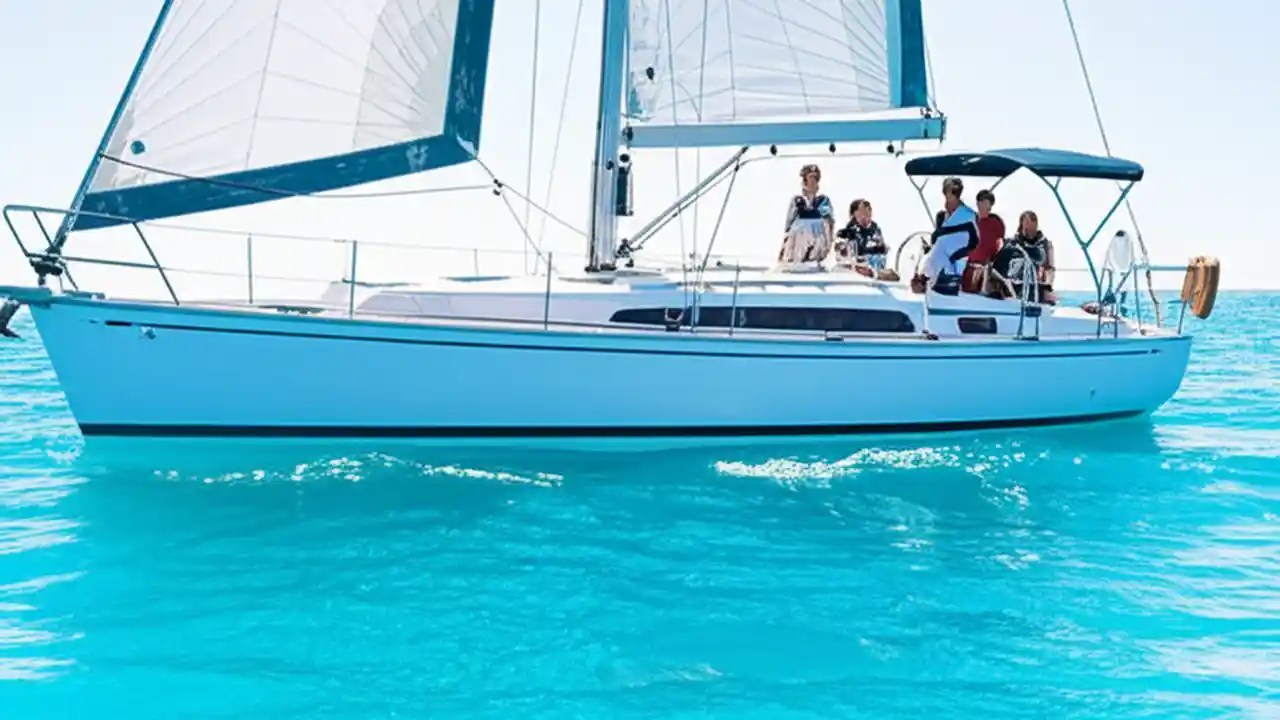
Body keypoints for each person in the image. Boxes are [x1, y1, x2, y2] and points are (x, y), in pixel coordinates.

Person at [921, 177, 978, 289]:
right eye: (948, 191)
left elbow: (974, 240)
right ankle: (933, 278)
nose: (950, 195)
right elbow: (936, 236)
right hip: (942, 251)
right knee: (938, 246)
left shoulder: (969, 215)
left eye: (953, 191)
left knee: (941, 245)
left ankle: (930, 277)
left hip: (962, 253)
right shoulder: (941, 216)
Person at [993, 210, 1056, 304]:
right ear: (1021, 225)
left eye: (1032, 225)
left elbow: (1049, 268)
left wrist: (1047, 287)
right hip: (1015, 289)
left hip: (1037, 289)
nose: (1029, 229)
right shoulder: (1011, 245)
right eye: (1026, 225)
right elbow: (998, 268)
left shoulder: (1045, 245)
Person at [779, 164, 835, 265]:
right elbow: (789, 225)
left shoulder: (823, 200)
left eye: (815, 178)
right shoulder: (797, 200)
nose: (813, 181)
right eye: (810, 177)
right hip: (799, 241)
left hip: (817, 238)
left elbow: (829, 223)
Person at [964, 189, 1005, 293]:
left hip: (988, 268)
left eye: (987, 203)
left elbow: (1001, 243)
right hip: (970, 266)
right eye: (981, 202)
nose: (984, 205)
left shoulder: (996, 222)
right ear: (977, 204)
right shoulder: (970, 221)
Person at [835, 198, 888, 271]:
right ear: (855, 213)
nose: (867, 212)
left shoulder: (875, 229)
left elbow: (882, 249)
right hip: (858, 269)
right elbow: (854, 253)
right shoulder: (847, 232)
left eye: (869, 209)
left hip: (876, 268)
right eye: (863, 210)